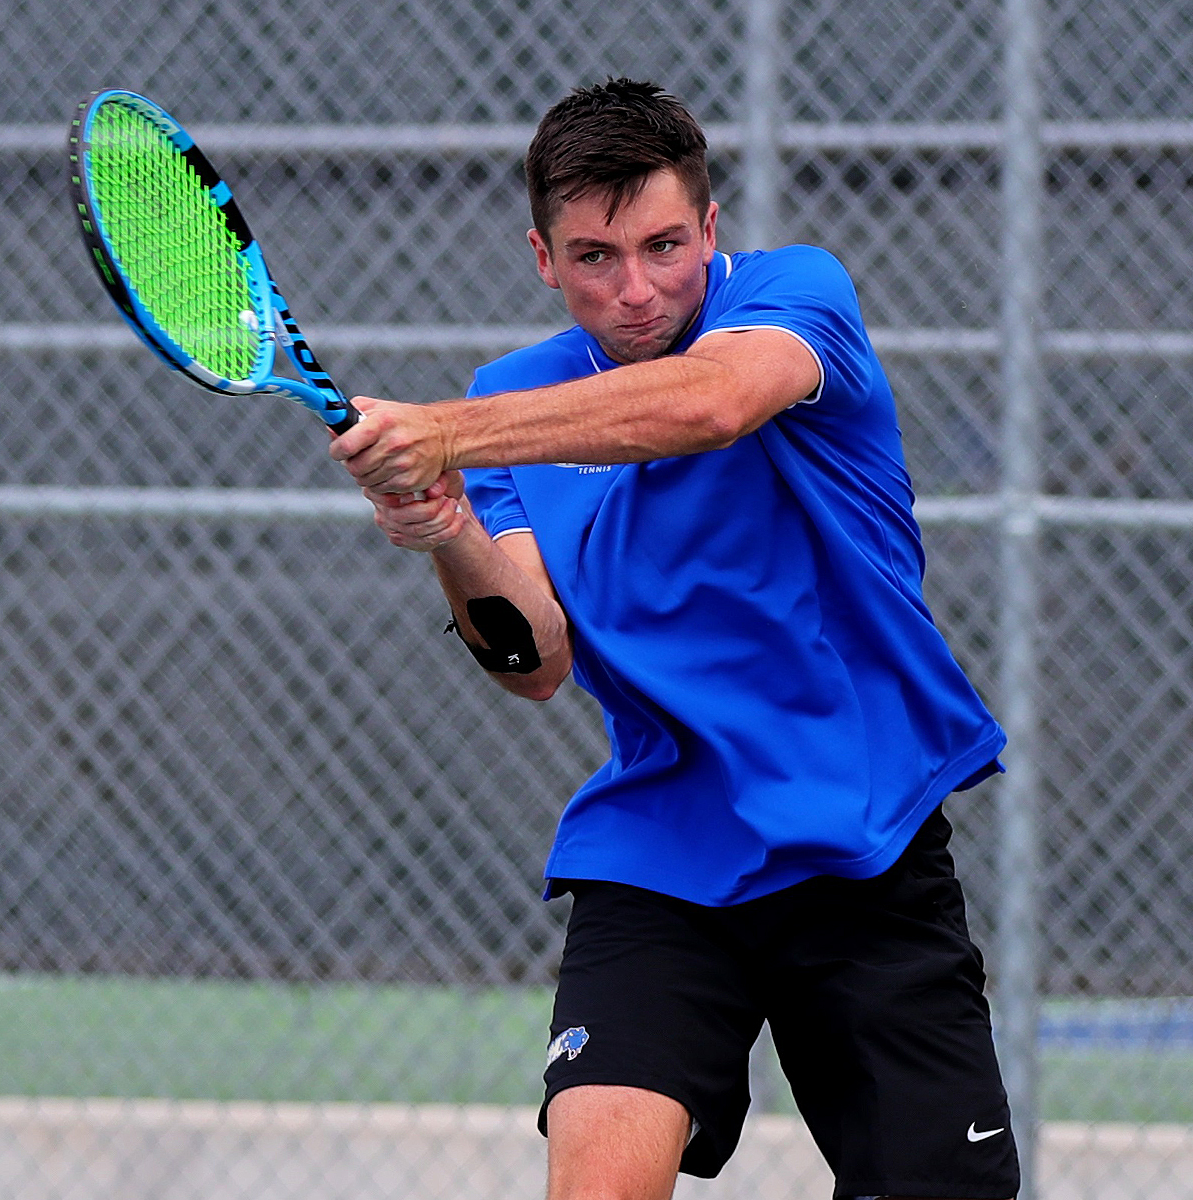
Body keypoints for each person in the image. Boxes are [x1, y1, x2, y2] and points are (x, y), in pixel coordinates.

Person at [329, 78, 1019, 1200]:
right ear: (544, 259)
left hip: (865, 840)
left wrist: (443, 433)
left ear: (710, 227)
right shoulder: (518, 396)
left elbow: (707, 406)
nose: (638, 287)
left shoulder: (798, 295)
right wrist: (451, 526)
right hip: (660, 853)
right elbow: (533, 658)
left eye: (663, 245)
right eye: (595, 257)